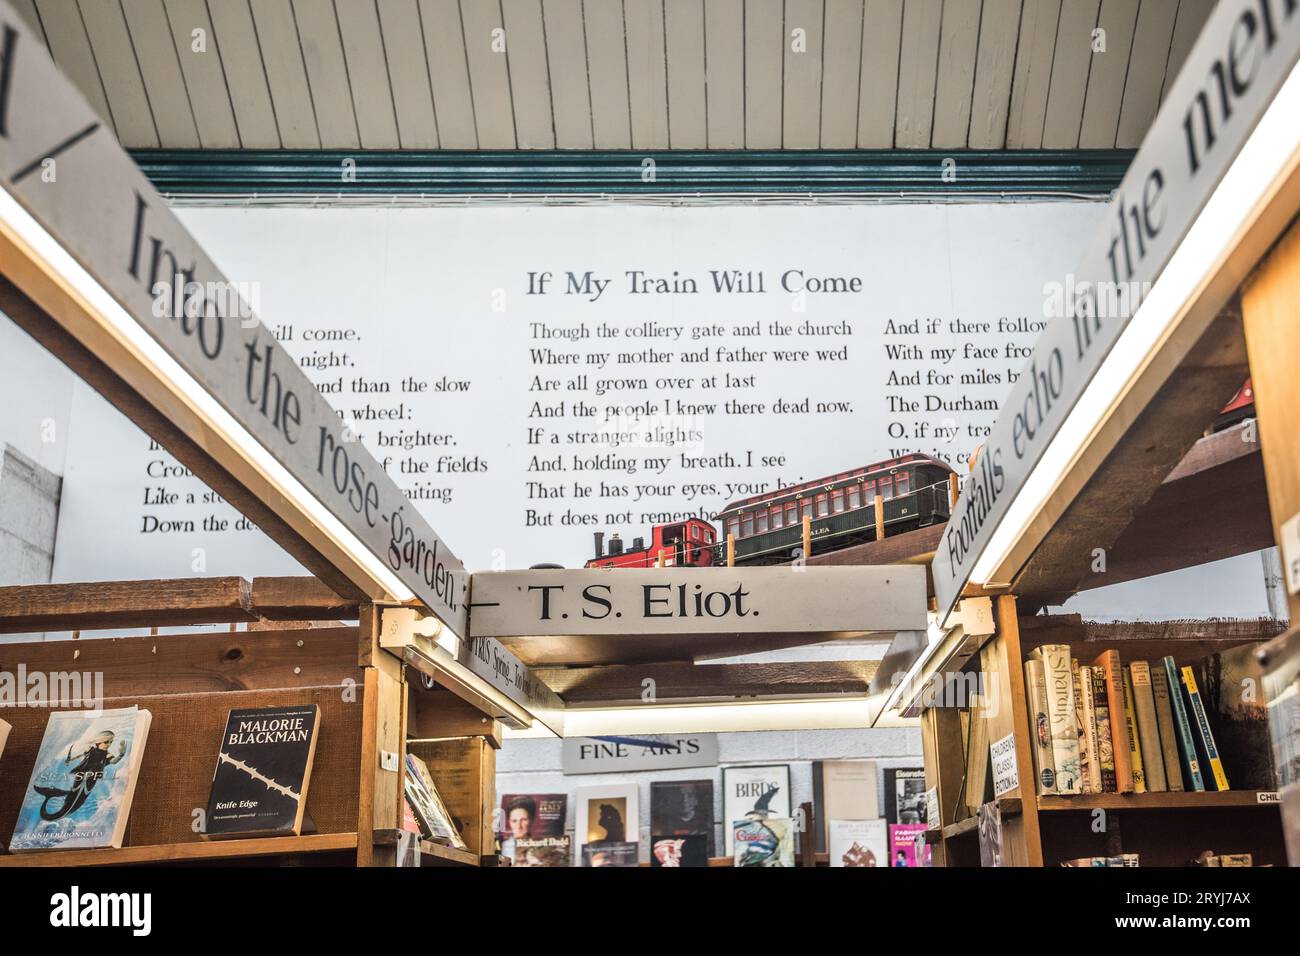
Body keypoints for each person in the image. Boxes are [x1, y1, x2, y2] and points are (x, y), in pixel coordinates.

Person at [499, 795, 537, 861]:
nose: (518, 826)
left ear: (531, 820)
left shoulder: (540, 846)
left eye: (523, 820)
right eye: (514, 821)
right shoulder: (503, 847)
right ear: (509, 822)